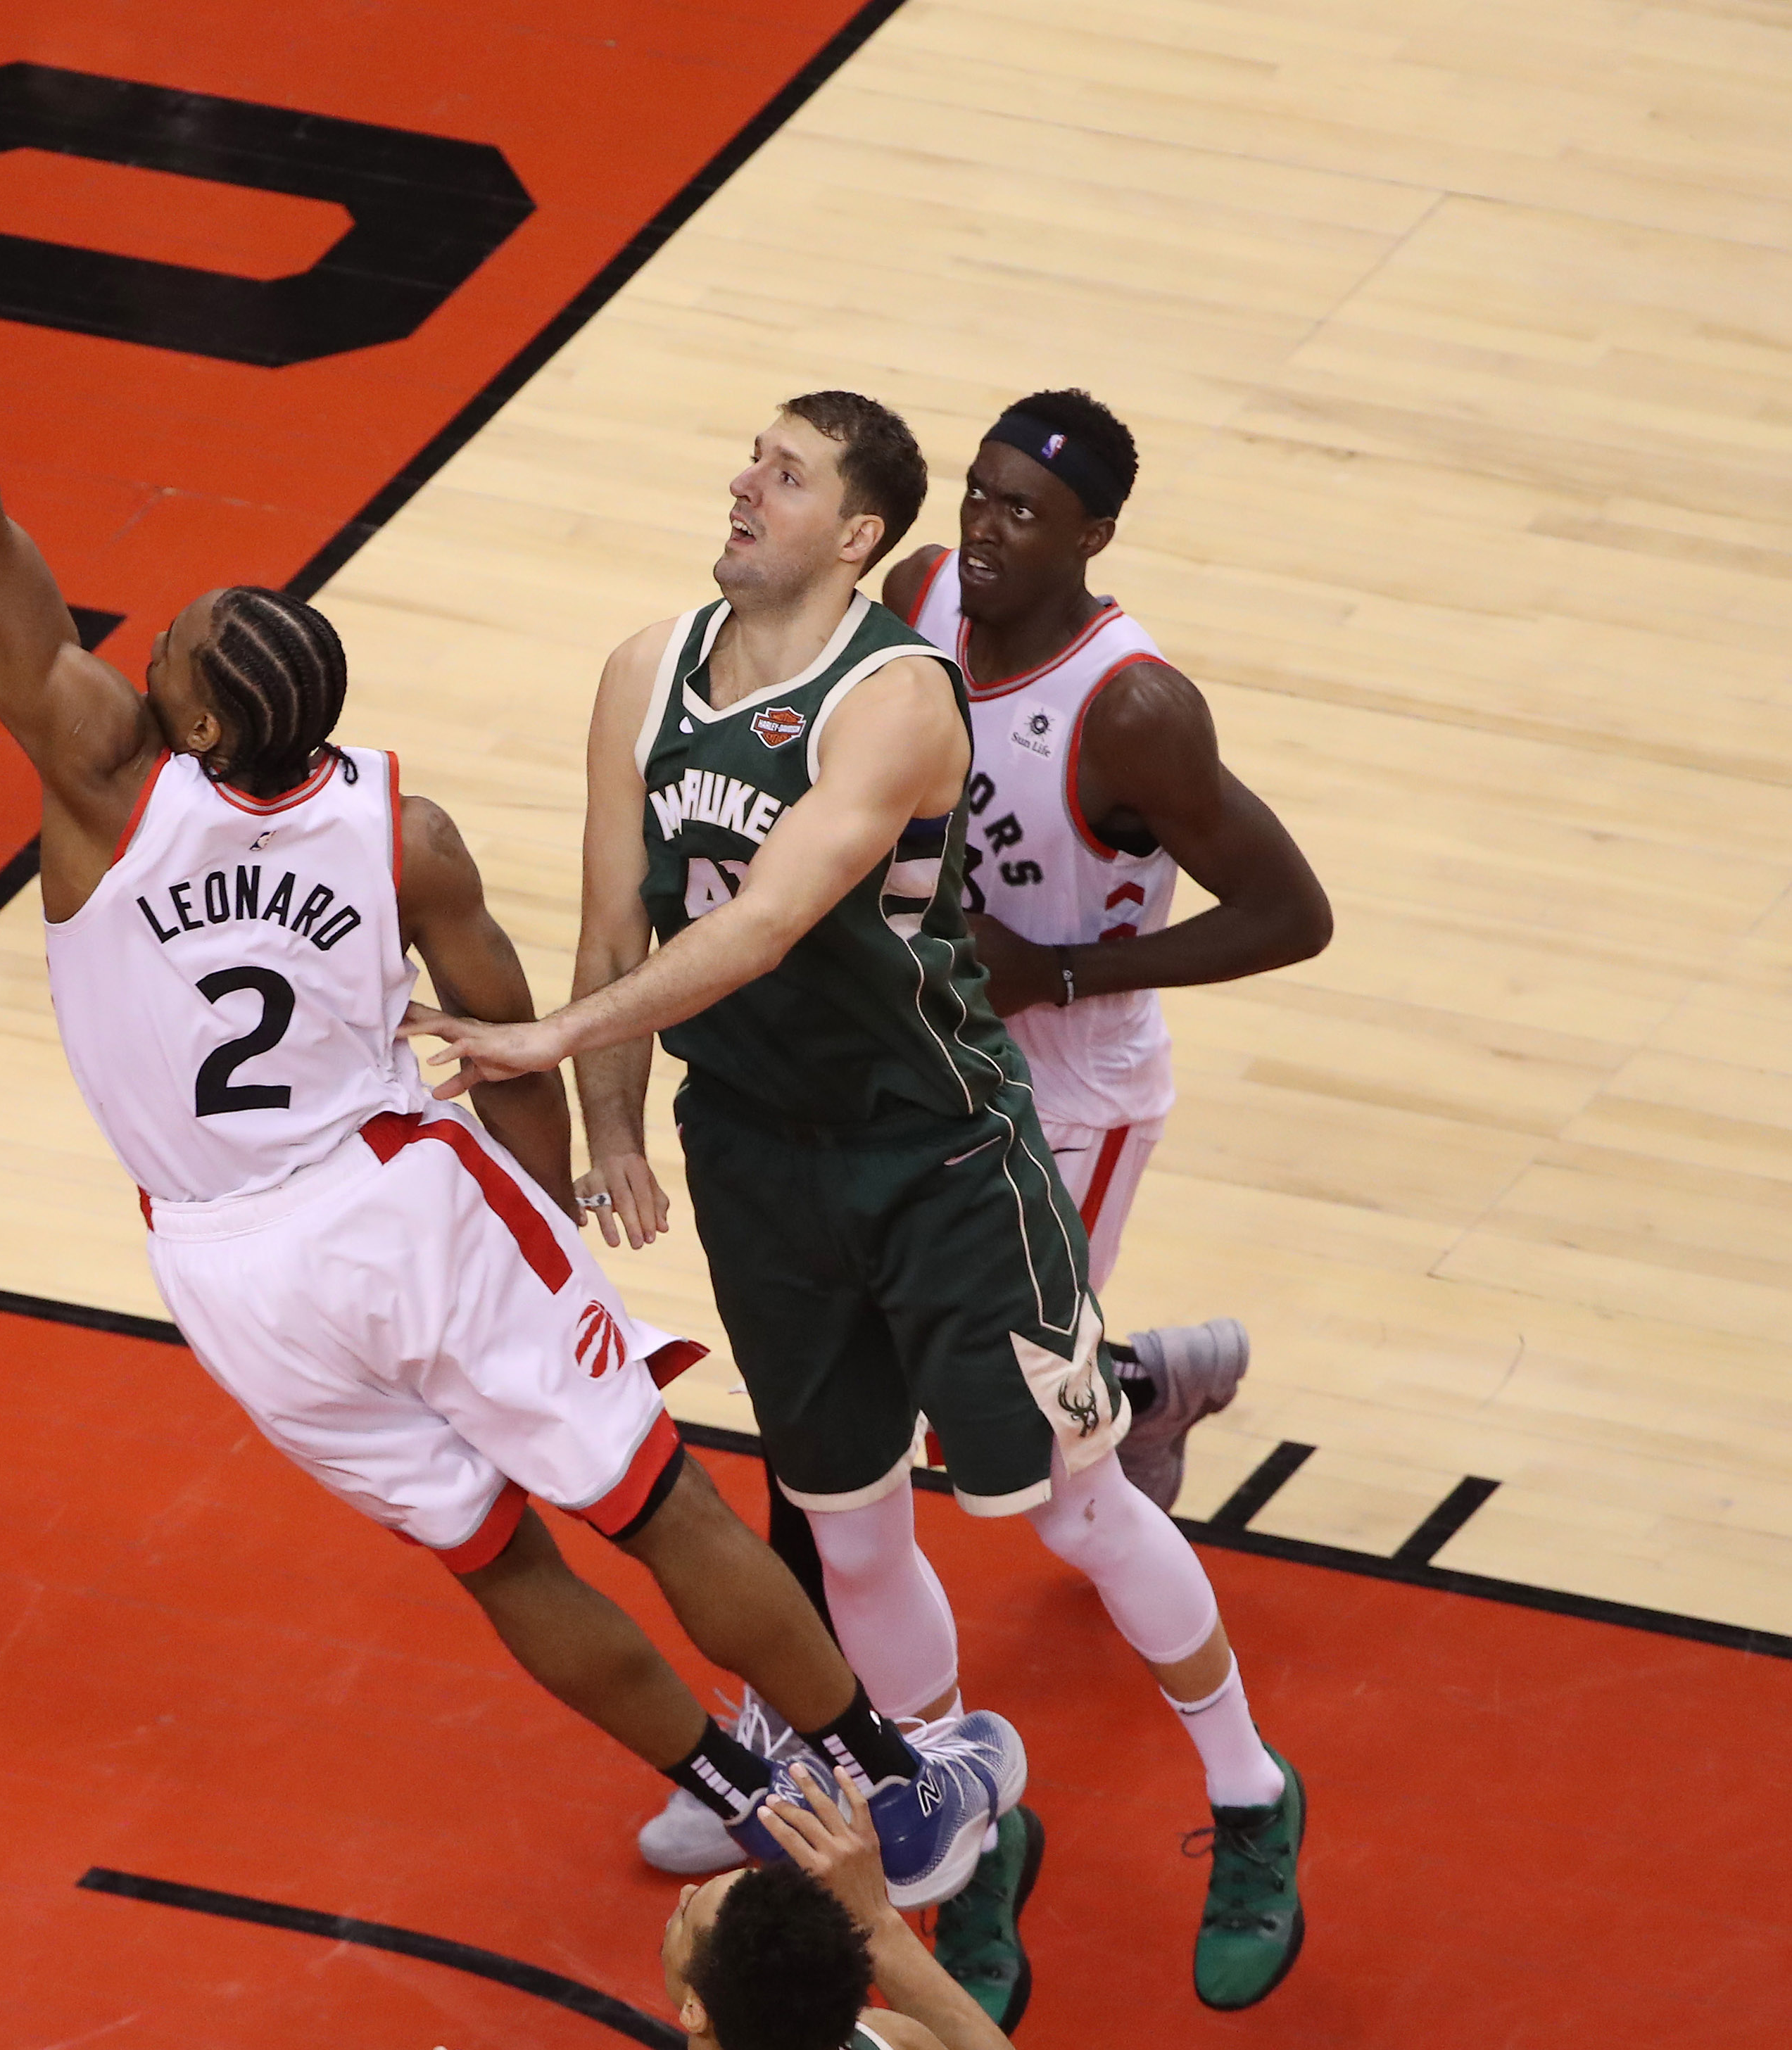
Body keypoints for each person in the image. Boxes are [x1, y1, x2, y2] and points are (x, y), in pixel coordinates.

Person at [0, 82, 1022, 1906]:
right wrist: (546, 1207)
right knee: (650, 1496)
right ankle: (888, 1787)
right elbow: (503, 1031)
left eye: (179, 632)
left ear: (185, 722)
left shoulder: (100, 794)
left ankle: (752, 1800)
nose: (164, 624)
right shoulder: (400, 828)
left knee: (500, 1560)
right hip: (400, 1205)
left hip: (221, 1270)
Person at [414, 393, 1308, 2018]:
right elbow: (617, 909)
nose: (742, 483)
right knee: (848, 1526)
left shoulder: (896, 701)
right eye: (747, 456)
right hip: (761, 1151)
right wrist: (610, 1112)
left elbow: (756, 926)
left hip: (942, 1150)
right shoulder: (642, 669)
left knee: (1063, 1502)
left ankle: (1248, 1792)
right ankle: (958, 1840)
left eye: (786, 472)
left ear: (850, 540)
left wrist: (547, 1041)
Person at [885, 388, 1332, 1512]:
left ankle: (1138, 1401)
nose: (985, 525)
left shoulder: (1134, 710)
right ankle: (1134, 1381)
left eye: (1023, 511)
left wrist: (1063, 969)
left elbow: (1292, 914)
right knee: (888, 1344)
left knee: (1020, 1430)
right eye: (978, 495)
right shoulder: (921, 594)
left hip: (1071, 1087)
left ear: (1091, 536)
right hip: (932, 1038)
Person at [660, 1773, 1018, 2050]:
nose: (686, 1892)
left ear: (695, 2011)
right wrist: (875, 1917)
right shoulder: (888, 2036)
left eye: (687, 1913)